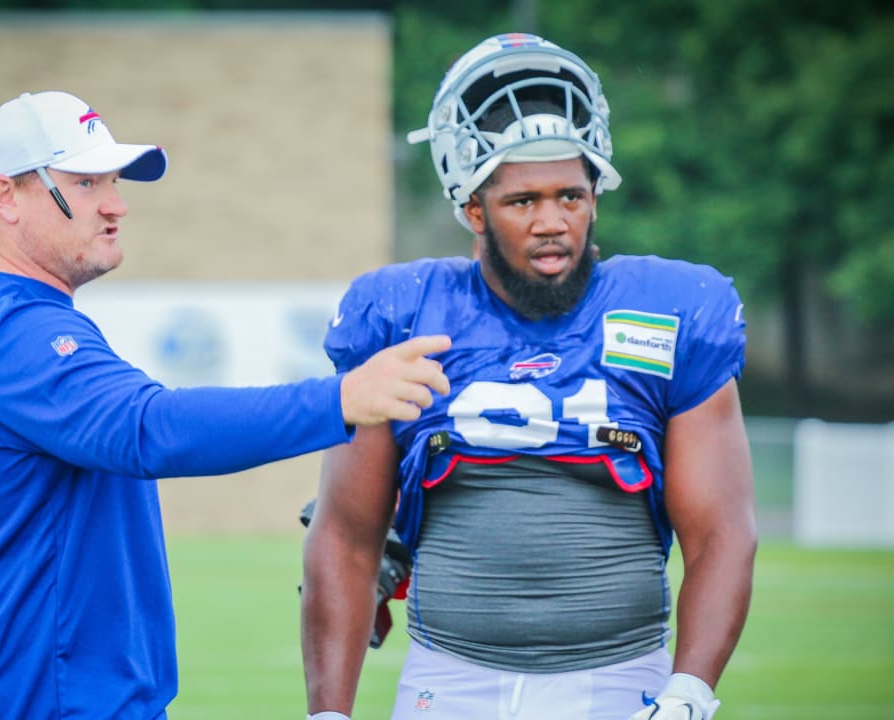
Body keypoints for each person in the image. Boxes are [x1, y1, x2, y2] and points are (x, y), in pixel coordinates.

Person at [0, 90, 451, 720]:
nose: (116, 204)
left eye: (112, 181)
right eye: (85, 183)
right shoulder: (9, 331)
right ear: (5, 198)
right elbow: (148, 428)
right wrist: (342, 398)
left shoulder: (8, 322)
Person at [300, 33, 756, 720]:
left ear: (596, 195)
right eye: (522, 202)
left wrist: (688, 693)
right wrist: (329, 713)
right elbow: (343, 530)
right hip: (448, 680)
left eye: (570, 195)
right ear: (473, 208)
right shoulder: (402, 313)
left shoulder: (672, 310)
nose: (552, 223)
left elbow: (722, 529)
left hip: (619, 678)